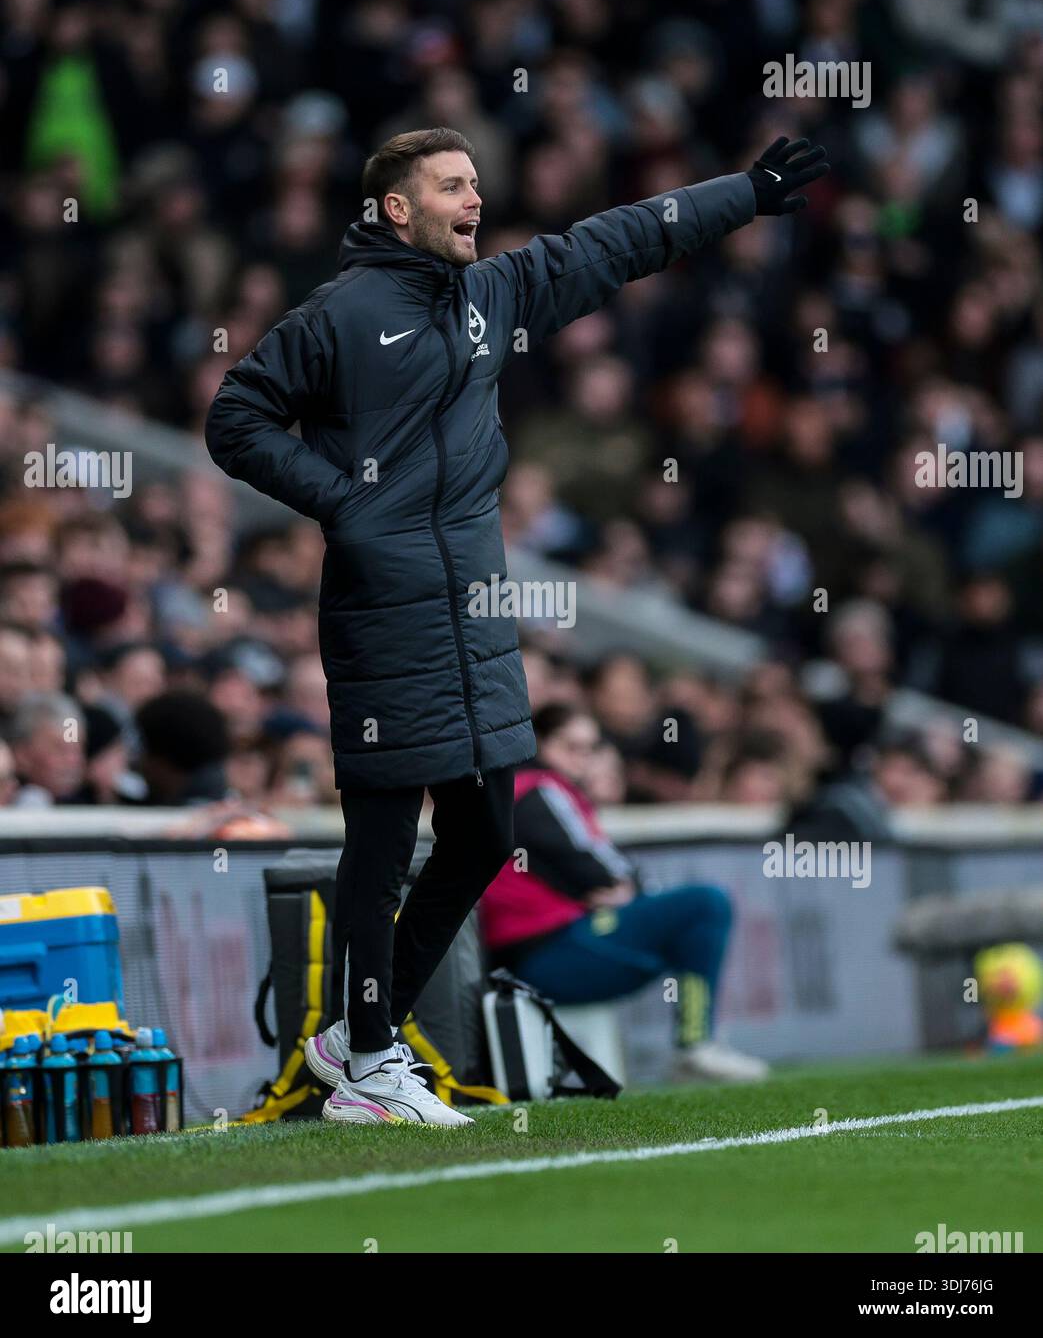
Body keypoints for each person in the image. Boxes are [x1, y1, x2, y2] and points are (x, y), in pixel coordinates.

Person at [205, 128, 824, 1125]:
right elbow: (233, 417)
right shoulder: (337, 317)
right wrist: (346, 506)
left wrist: (742, 195)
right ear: (395, 208)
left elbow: (614, 242)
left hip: (478, 614)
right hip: (383, 610)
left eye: (477, 185)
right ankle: (367, 1059)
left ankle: (349, 1039)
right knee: (378, 838)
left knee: (487, 831)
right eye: (451, 186)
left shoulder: (490, 298)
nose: (473, 201)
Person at [480, 704, 768, 1083]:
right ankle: (696, 1044)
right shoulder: (541, 788)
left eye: (591, 748)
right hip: (546, 955)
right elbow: (598, 871)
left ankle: (698, 1043)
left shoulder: (530, 791)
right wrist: (627, 889)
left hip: (538, 953)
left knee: (689, 923)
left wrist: (613, 889)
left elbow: (590, 874)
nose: (583, 759)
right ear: (541, 745)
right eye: (572, 747)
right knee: (705, 904)